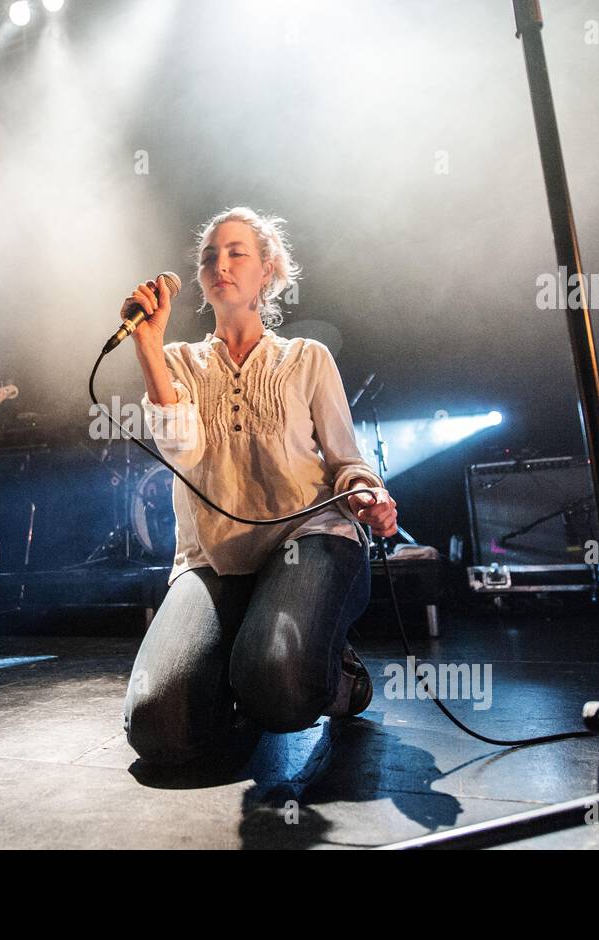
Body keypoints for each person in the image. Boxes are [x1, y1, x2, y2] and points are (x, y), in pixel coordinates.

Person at [120, 207, 399, 767]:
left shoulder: (306, 358)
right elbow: (183, 451)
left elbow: (348, 461)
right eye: (208, 256)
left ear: (268, 270)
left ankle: (338, 678)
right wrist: (148, 344)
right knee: (159, 728)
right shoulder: (177, 362)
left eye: (235, 252)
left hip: (312, 538)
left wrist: (367, 492)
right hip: (213, 559)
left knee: (278, 688)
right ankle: (252, 657)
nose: (218, 264)